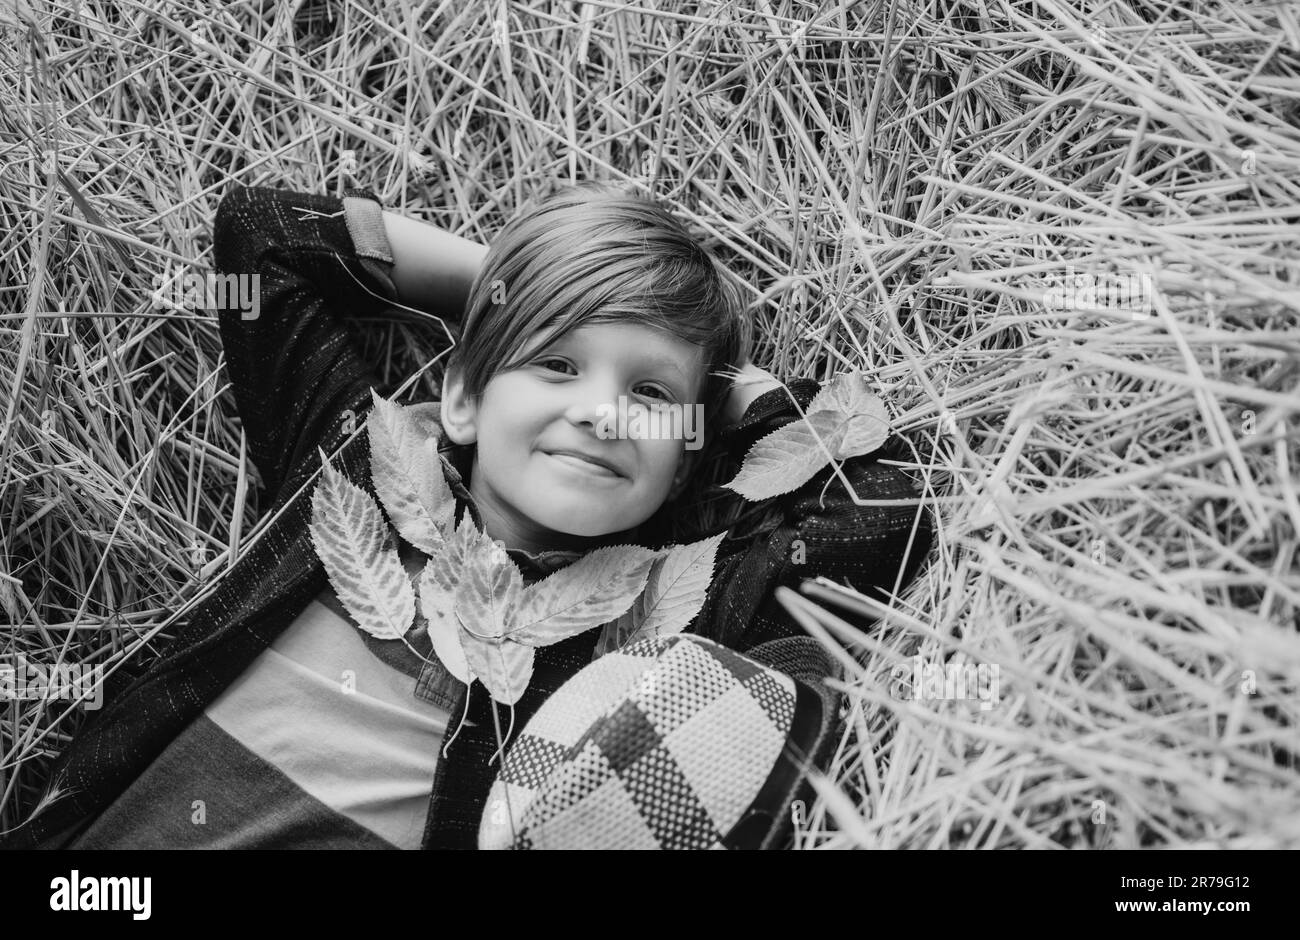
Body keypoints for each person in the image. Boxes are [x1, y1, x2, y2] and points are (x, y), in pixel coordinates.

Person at [1, 181, 932, 850]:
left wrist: (726, 403)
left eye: (646, 391)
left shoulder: (658, 625)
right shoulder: (357, 471)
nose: (600, 411)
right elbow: (264, 235)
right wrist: (521, 289)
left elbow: (892, 502)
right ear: (462, 400)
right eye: (556, 365)